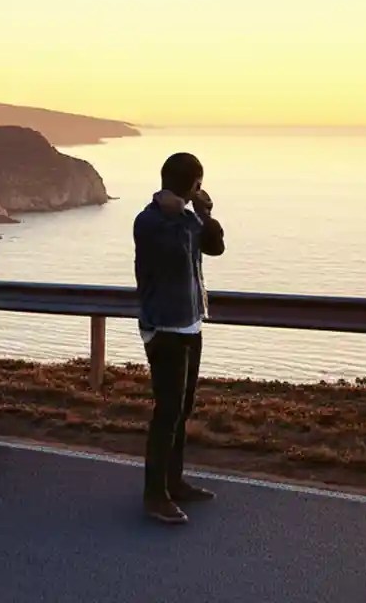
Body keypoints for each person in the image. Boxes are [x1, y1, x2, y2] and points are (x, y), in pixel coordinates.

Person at [133, 152, 225, 524]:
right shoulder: (149, 221)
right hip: (163, 327)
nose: (200, 192)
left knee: (182, 410)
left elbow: (216, 246)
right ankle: (155, 495)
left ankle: (175, 482)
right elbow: (172, 250)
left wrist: (202, 214)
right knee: (166, 413)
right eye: (197, 185)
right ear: (190, 184)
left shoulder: (188, 219)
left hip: (190, 324)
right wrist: (191, 213)